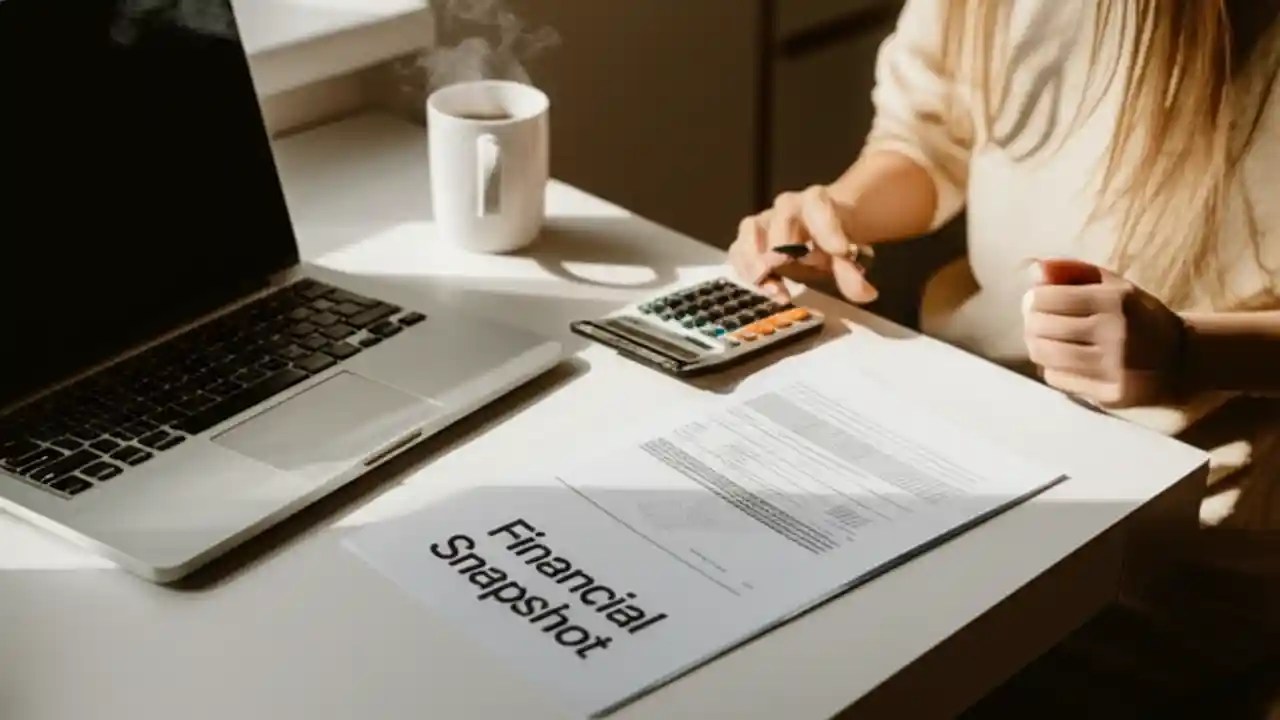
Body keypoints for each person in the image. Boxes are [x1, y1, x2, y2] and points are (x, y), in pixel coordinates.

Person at [730, 0, 1279, 716]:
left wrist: (1189, 355)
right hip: (982, 429)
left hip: (1208, 531)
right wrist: (839, 211)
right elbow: (931, 137)